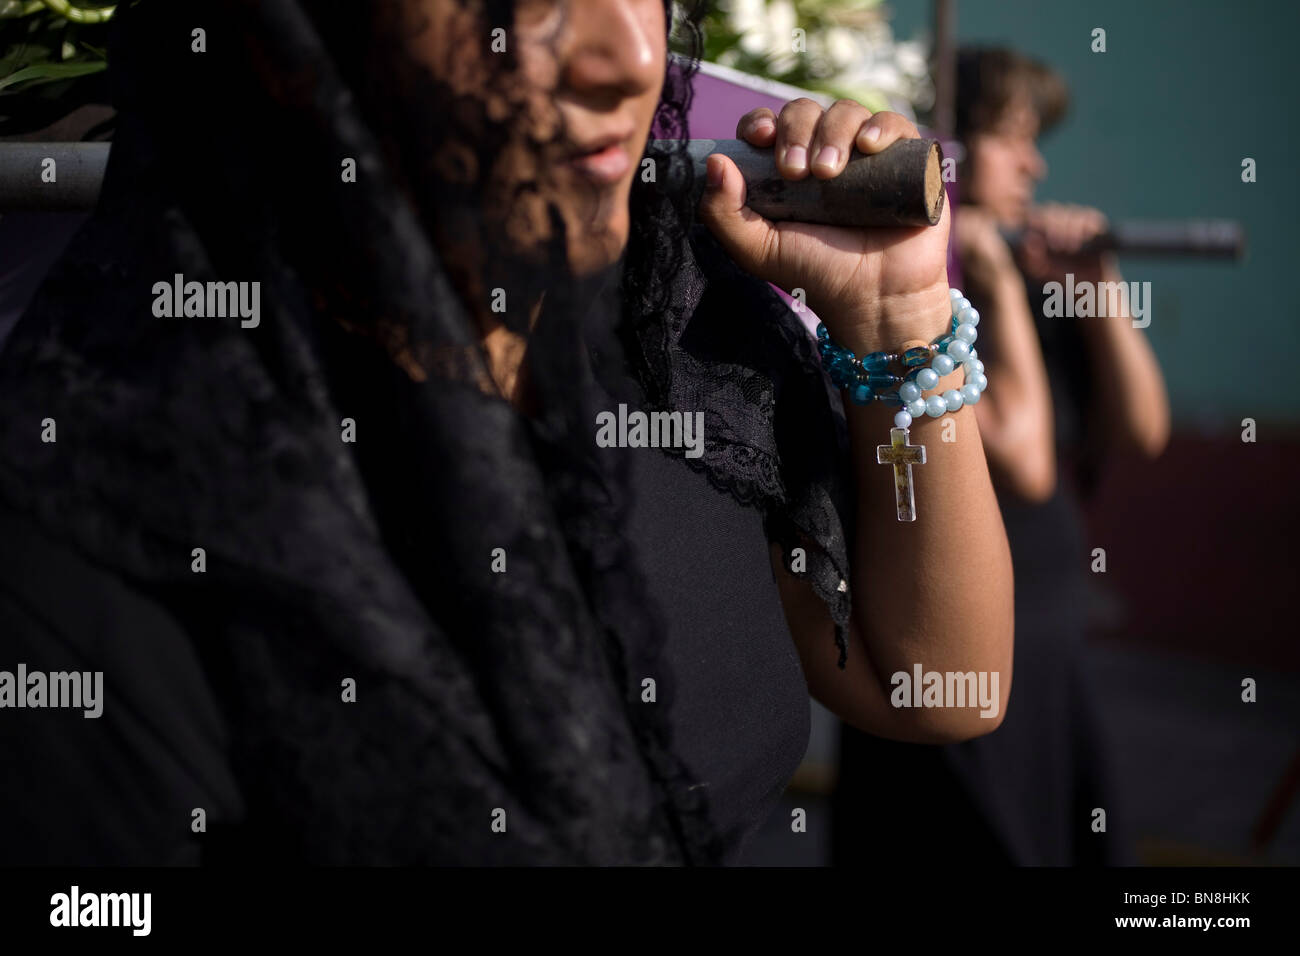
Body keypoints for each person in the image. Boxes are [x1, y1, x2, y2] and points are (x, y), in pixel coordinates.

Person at [0, 0, 1012, 865]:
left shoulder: (682, 330)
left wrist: (895, 326)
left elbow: (929, 684)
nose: (621, 56)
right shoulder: (112, 529)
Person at [834, 46, 1168, 866]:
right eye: (1010, 135)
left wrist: (1099, 281)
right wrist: (992, 278)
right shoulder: (914, 285)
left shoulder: (1038, 274)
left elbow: (1144, 428)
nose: (1035, 161)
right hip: (943, 631)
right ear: (944, 145)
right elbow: (1025, 461)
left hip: (1048, 635)